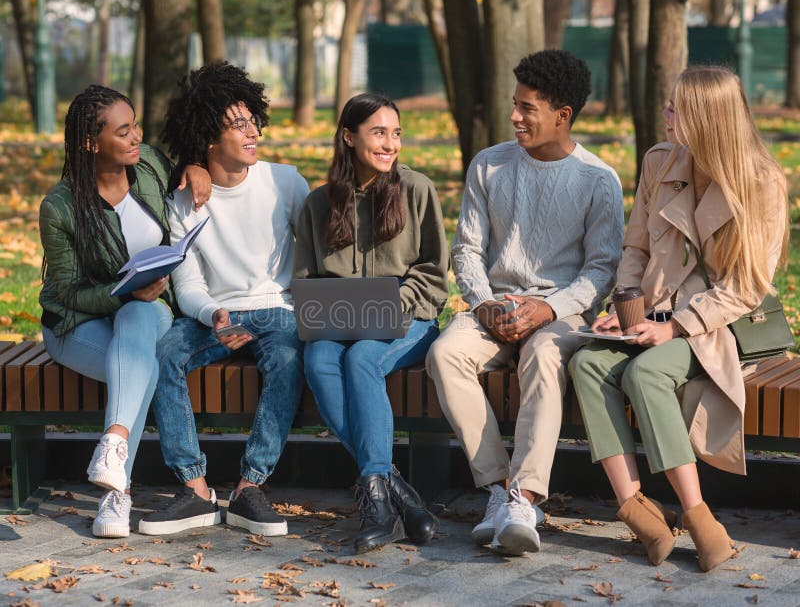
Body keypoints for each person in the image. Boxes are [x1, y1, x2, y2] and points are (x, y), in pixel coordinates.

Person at [568, 66, 789, 571]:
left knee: (646, 373)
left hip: (719, 326)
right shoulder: (660, 162)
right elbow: (636, 248)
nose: (665, 114)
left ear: (709, 118)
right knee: (587, 364)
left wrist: (674, 326)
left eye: (677, 108)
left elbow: (746, 288)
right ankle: (638, 510)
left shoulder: (762, 183)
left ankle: (696, 514)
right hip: (654, 314)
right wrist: (624, 310)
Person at [426, 50, 624, 556]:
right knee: (444, 353)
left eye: (527, 108)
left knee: (543, 355)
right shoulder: (488, 164)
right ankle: (498, 490)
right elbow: (466, 250)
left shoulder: (598, 179)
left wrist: (549, 309)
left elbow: (601, 269)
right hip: (494, 306)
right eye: (514, 104)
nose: (514, 116)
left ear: (563, 115)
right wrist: (484, 303)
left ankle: (526, 496)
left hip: (562, 313)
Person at [137, 63, 309, 536]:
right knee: (163, 354)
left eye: (253, 120)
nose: (253, 132)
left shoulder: (286, 183)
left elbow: (315, 257)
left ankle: (250, 487)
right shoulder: (182, 201)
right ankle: (195, 490)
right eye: (238, 124)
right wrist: (215, 314)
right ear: (208, 140)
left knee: (289, 359)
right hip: (214, 313)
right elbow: (188, 283)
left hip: (278, 308)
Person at [39, 85, 209, 538]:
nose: (137, 137)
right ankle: (117, 492)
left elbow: (180, 174)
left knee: (137, 324)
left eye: (135, 125)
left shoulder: (149, 164)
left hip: (145, 313)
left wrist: (193, 167)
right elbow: (68, 292)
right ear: (91, 143)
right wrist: (125, 294)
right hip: (76, 324)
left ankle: (113, 453)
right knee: (141, 367)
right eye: (123, 131)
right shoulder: (59, 207)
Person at [293, 93, 449, 554]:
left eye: (396, 133)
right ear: (348, 136)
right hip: (339, 321)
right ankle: (394, 490)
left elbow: (434, 273)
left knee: (362, 359)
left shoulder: (416, 189)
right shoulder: (319, 203)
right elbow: (306, 280)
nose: (390, 144)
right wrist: (329, 309)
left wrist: (394, 302)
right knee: (318, 360)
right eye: (378, 132)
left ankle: (378, 505)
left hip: (408, 316)